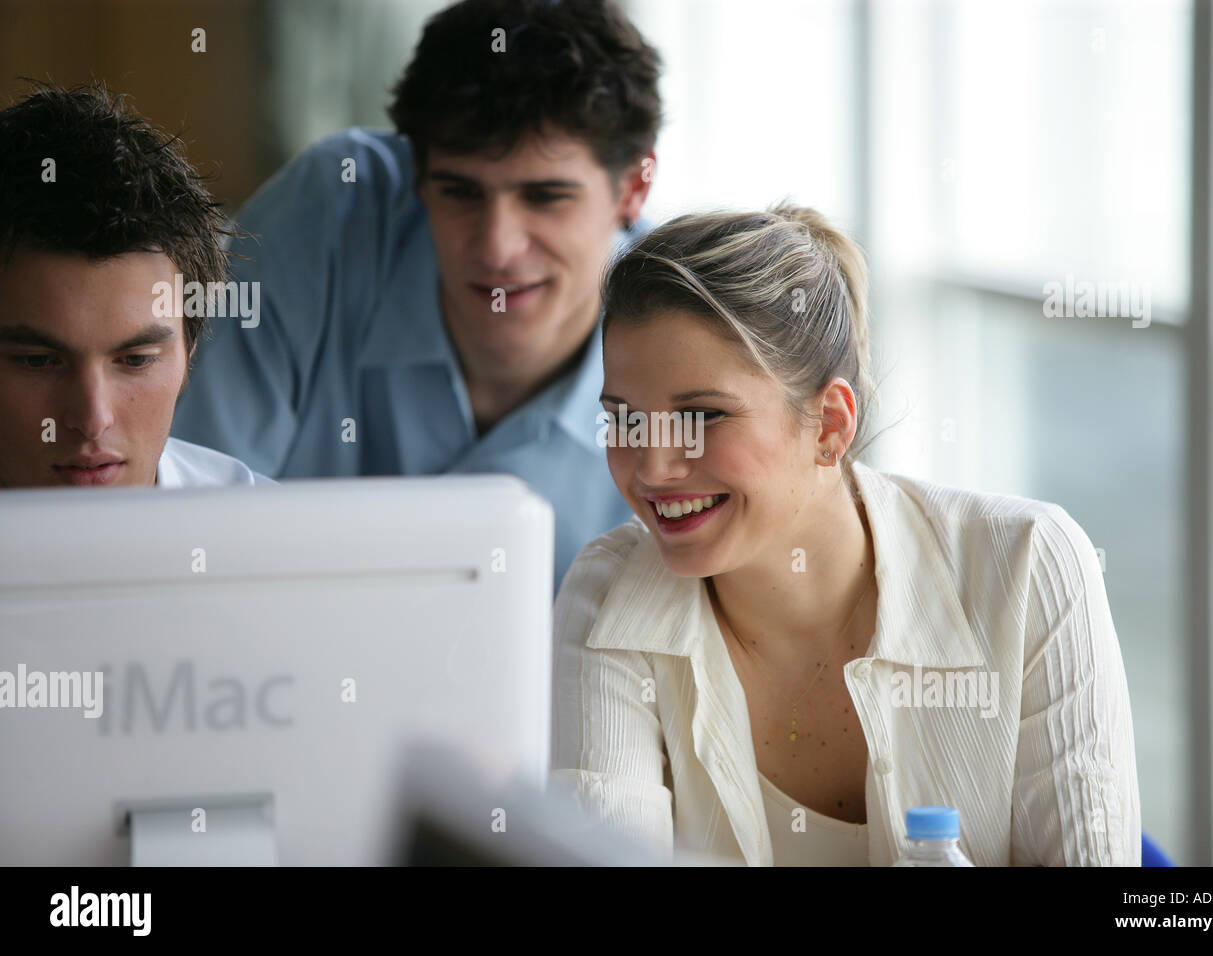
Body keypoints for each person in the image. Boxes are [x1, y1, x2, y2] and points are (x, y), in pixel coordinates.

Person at [551, 204, 1142, 866]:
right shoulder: (610, 595)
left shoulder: (1030, 566)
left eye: (702, 416)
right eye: (626, 420)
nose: (653, 467)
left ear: (830, 425)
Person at [171, 0, 661, 591]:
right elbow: (185, 534)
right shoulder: (328, 218)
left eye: (544, 197)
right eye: (459, 192)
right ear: (415, 175)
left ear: (633, 187)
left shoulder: (693, 337)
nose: (498, 247)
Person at [0, 83, 271, 489]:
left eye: (137, 360)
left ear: (188, 353)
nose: (93, 421)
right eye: (38, 361)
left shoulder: (266, 538)